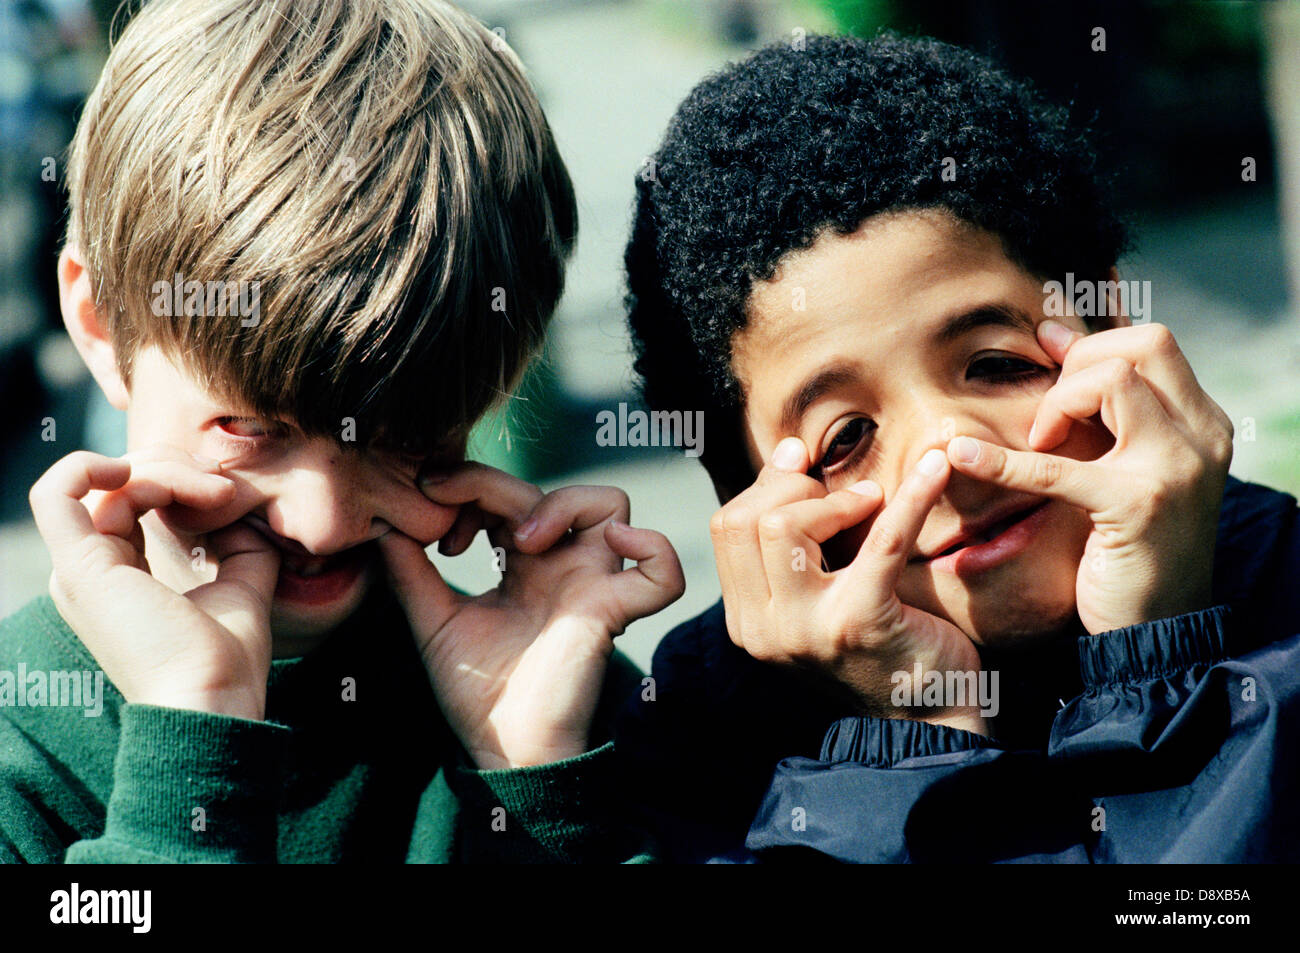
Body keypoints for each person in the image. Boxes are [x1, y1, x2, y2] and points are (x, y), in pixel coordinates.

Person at [0, 0, 683, 863]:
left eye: (409, 435)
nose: (322, 523)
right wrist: (190, 746)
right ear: (100, 327)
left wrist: (536, 780)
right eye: (249, 426)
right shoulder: (19, 758)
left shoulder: (567, 692)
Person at [617, 32, 1300, 862]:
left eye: (996, 363)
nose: (952, 450)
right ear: (750, 503)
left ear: (1110, 323)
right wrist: (917, 736)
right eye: (848, 437)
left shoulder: (1285, 598)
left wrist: (1161, 667)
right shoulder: (702, 751)